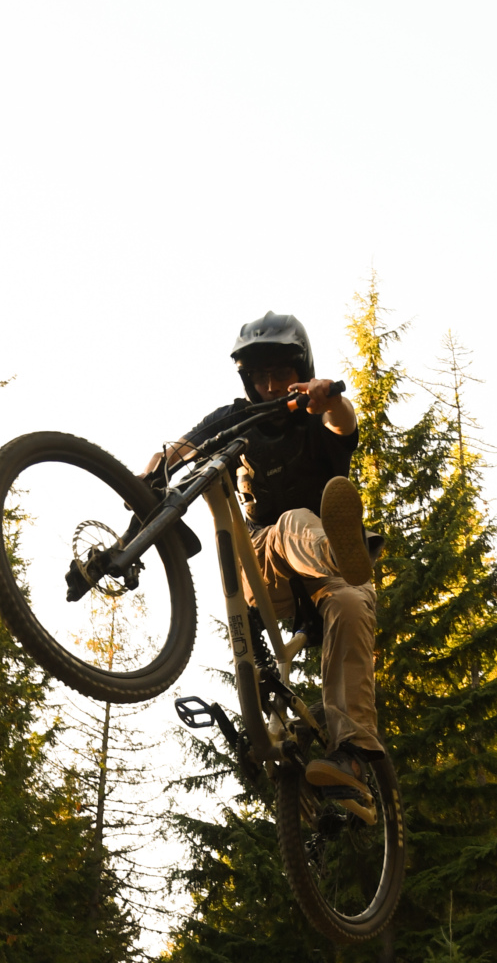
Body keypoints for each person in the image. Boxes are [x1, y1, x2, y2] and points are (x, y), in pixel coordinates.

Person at [146, 310, 381, 817]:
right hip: (266, 563)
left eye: (282, 374)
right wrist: (145, 477)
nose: (272, 386)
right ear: (247, 380)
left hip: (329, 579)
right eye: (260, 376)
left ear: (303, 371)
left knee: (352, 605)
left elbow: (344, 422)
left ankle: (352, 764)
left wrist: (329, 399)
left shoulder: (317, 416)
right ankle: (337, 552)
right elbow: (179, 449)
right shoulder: (236, 418)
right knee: (294, 522)